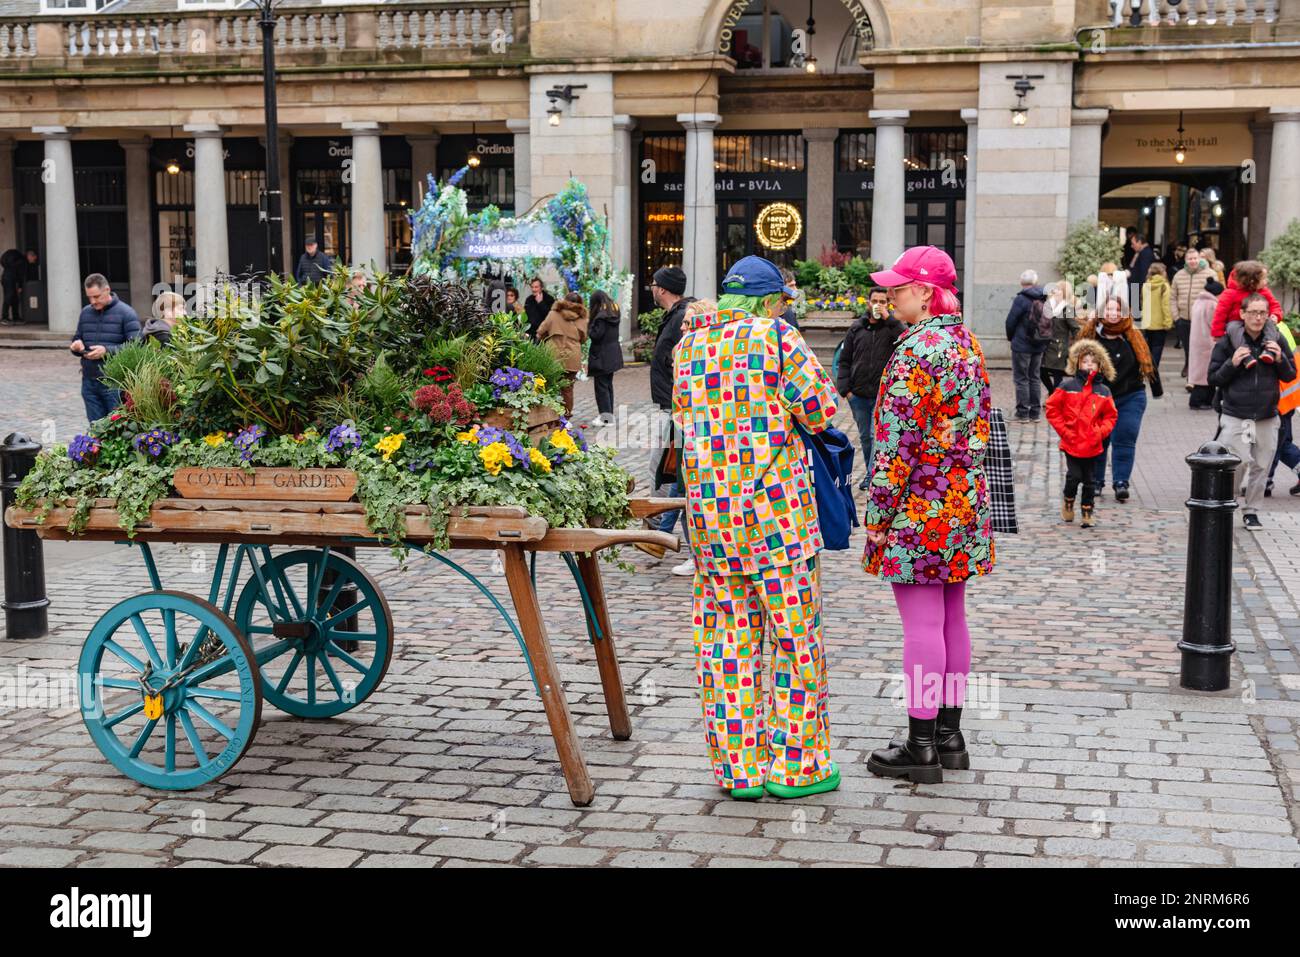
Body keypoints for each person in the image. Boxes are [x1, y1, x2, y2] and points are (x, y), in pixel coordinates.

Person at [672, 254, 839, 800]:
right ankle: (797, 767)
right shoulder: (778, 339)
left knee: (725, 643)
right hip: (776, 514)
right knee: (794, 638)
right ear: (770, 302)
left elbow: (680, 416)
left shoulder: (688, 347)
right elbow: (821, 409)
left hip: (711, 516)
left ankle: (738, 770)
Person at [860, 245, 993, 785]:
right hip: (962, 502)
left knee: (922, 625)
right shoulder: (967, 343)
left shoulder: (916, 351)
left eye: (898, 287)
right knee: (951, 619)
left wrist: (877, 512)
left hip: (919, 505)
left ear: (926, 292)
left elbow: (896, 444)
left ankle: (919, 747)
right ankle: (948, 735)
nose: (890, 295)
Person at [1207, 293, 1296, 530]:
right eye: (1253, 313)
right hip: (1238, 414)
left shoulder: (1274, 338)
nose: (1258, 318)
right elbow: (1213, 377)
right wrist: (1232, 363)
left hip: (1267, 415)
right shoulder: (1228, 341)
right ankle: (1228, 500)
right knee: (1239, 460)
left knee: (1262, 464)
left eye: (1263, 313)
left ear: (1268, 315)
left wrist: (1279, 359)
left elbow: (1290, 374)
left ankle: (1252, 511)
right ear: (1243, 314)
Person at [1077, 297, 1163, 502]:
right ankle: (1096, 482)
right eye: (1109, 310)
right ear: (1101, 312)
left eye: (1118, 310)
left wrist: (1157, 389)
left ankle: (1121, 482)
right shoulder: (1090, 338)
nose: (1113, 314)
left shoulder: (1134, 337)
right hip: (1098, 398)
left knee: (1125, 438)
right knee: (1099, 440)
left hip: (1130, 396)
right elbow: (1076, 366)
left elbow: (1148, 362)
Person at [647, 266, 697, 575]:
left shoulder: (682, 317)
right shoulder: (675, 315)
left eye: (653, 284)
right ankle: (656, 532)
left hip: (676, 408)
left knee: (671, 475)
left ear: (663, 289)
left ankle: (657, 534)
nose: (651, 288)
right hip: (670, 406)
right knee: (669, 474)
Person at [835, 286, 903, 490]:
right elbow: (844, 360)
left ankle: (872, 475)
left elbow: (905, 340)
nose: (878, 305)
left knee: (876, 436)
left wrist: (889, 319)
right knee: (865, 436)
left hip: (882, 394)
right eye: (875, 301)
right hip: (858, 394)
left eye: (883, 302)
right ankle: (870, 471)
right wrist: (845, 390)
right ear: (868, 303)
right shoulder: (857, 328)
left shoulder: (892, 328)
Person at [1045, 340, 1118, 529]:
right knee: (1074, 476)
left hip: (1093, 443)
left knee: (1090, 480)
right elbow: (1052, 408)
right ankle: (1068, 500)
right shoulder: (1067, 386)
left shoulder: (1103, 391)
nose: (1089, 365)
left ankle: (1087, 511)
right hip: (1072, 440)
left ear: (1100, 365)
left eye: (1093, 362)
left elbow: (1110, 416)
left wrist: (1100, 432)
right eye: (1085, 361)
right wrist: (1064, 431)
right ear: (1078, 363)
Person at [70, 274, 141, 423]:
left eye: (96, 296)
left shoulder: (126, 313)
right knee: (95, 429)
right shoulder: (85, 312)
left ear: (107, 290)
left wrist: (107, 351)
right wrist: (76, 346)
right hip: (89, 381)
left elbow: (136, 346)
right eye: (89, 297)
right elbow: (78, 337)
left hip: (115, 383)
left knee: (118, 428)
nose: (93, 301)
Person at [1004, 268, 1049, 421]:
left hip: (1022, 344)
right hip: (1039, 343)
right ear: (1036, 282)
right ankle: (1035, 412)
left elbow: (1010, 321)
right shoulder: (1044, 297)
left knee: (1022, 378)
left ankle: (1022, 413)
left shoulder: (1021, 299)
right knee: (1035, 377)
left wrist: (1012, 338)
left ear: (1021, 282)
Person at [536, 291, 588, 416]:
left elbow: (541, 331)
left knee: (550, 386)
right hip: (572, 357)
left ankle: (550, 416)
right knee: (568, 389)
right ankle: (566, 417)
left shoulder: (554, 314)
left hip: (553, 355)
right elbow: (584, 338)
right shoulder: (582, 318)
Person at [1267, 317, 1300, 497]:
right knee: (1281, 441)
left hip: (1280, 398)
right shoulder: (1279, 326)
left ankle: (1265, 481)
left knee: (1275, 443)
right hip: (1286, 396)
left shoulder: (1270, 330)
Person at [1210, 260, 1283, 340]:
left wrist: (1275, 314)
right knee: (1233, 327)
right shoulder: (1230, 294)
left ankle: (1269, 344)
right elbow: (1220, 314)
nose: (1266, 281)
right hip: (1239, 323)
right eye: (1263, 279)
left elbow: (1274, 305)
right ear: (1252, 281)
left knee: (1271, 325)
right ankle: (1243, 349)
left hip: (1259, 322)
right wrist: (1217, 333)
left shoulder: (1264, 291)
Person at [1170, 247, 1212, 381]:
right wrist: (1176, 317)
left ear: (1199, 259)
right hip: (1183, 318)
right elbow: (1172, 297)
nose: (1192, 261)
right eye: (1190, 259)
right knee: (1188, 347)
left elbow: (1216, 296)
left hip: (1201, 319)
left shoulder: (1209, 274)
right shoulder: (1179, 275)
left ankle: (1193, 376)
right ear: (1186, 260)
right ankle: (1189, 364)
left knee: (1199, 348)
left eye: (1195, 258)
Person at [586, 289, 623, 425]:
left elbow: (595, 335)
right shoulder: (614, 312)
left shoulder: (601, 317)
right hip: (612, 353)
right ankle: (608, 415)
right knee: (607, 386)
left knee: (601, 387)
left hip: (601, 355)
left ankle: (606, 418)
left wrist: (590, 326)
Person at [1040, 280, 1080, 396]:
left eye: (1058, 290)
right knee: (1040, 371)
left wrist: (1077, 346)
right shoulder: (1048, 306)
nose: (1055, 291)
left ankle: (1054, 398)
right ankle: (1052, 392)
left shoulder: (1067, 309)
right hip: (1046, 345)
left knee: (1057, 374)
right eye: (1055, 289)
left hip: (1060, 348)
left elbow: (1075, 328)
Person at [1188, 278, 1223, 410]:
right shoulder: (1212, 305)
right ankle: (1198, 401)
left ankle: (1206, 401)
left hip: (1197, 341)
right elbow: (1215, 324)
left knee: (1201, 374)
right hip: (1207, 342)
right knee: (1205, 375)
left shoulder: (1198, 301)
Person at [1140, 261, 1173, 367]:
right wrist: (1168, 322)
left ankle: (1147, 367)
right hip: (1160, 324)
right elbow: (1166, 306)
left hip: (1147, 322)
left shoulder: (1146, 285)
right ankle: (1153, 370)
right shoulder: (1164, 286)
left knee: (1149, 347)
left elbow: (1143, 303)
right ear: (1163, 272)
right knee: (1157, 348)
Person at [523, 277, 555, 341]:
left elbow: (550, 316)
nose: (534, 289)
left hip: (544, 334)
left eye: (536, 287)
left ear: (541, 288)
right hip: (530, 334)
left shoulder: (549, 299)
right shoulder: (529, 299)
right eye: (532, 287)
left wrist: (541, 303)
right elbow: (526, 316)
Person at [1, 247, 24, 325]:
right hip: (9, 279)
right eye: (34, 258)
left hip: (6, 278)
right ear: (30, 256)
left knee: (14, 299)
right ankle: (4, 318)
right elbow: (20, 274)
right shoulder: (21, 261)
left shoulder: (10, 263)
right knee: (9, 297)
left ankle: (15, 317)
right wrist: (20, 286)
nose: (34, 261)